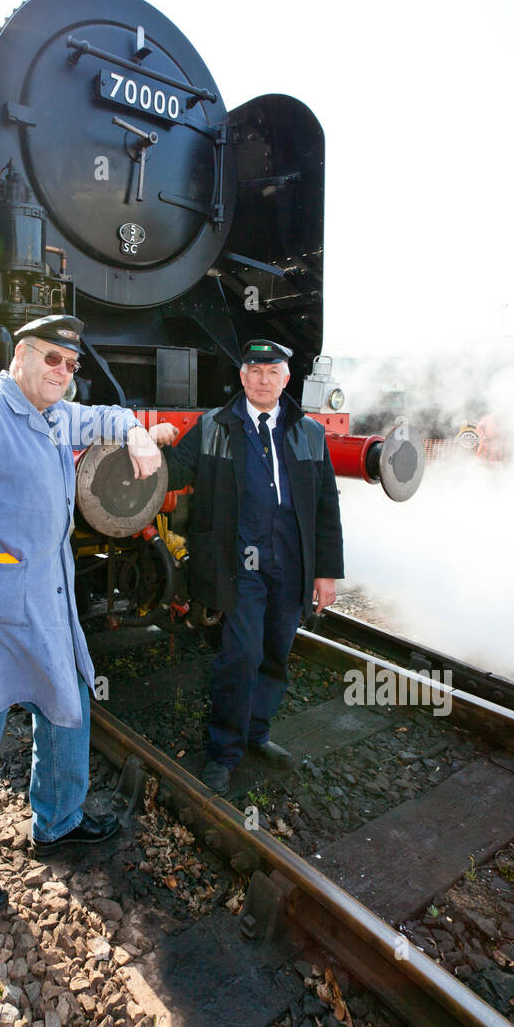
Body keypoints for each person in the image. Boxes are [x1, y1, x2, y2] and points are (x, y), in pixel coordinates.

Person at [0, 314, 163, 912]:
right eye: (52, 359)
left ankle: (56, 824)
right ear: (21, 356)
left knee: (69, 700)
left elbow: (102, 415)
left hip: (47, 601)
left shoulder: (54, 416)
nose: (63, 372)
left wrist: (134, 429)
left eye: (71, 365)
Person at [157, 338, 344, 793]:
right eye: (254, 371)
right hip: (240, 563)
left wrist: (326, 572)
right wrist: (145, 444)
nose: (263, 379)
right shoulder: (214, 427)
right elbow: (175, 471)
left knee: (277, 651)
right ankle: (224, 752)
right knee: (240, 655)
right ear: (242, 377)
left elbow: (325, 506)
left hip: (292, 561)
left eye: (272, 371)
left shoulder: (309, 432)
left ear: (286, 379)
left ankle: (257, 733)